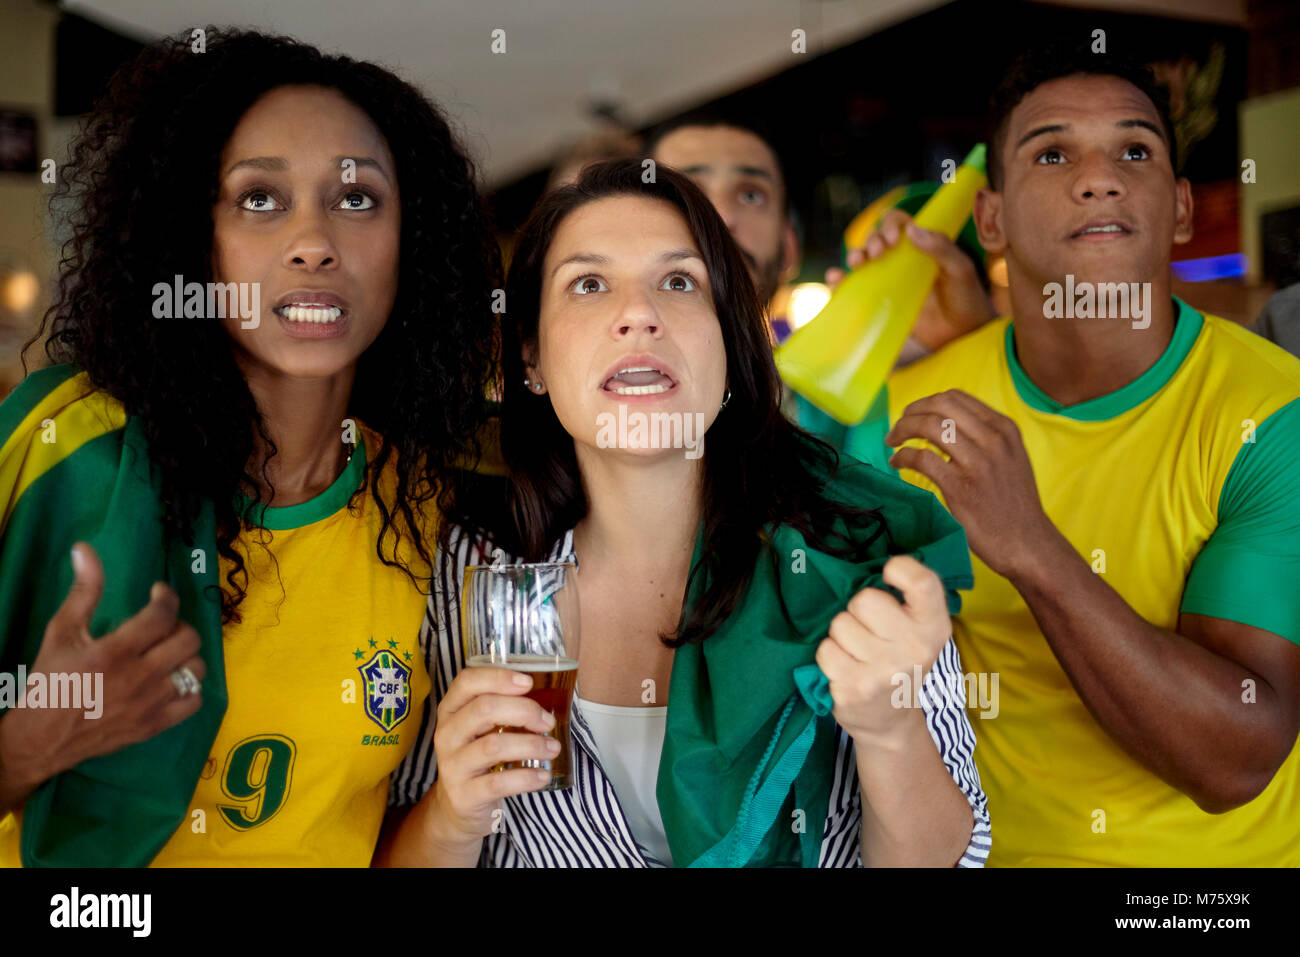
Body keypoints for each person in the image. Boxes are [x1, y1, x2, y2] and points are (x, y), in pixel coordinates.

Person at [378, 160, 991, 867]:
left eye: (678, 281)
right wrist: (453, 814)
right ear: (532, 357)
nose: (639, 313)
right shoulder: (473, 567)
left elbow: (948, 859)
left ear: (730, 341)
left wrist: (889, 730)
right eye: (588, 283)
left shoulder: (852, 551)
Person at [0, 28, 501, 866]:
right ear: (193, 242)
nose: (314, 241)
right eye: (260, 199)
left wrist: (457, 811)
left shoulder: (425, 512)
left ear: (412, 245)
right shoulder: (64, 445)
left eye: (358, 199)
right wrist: (28, 747)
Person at [860, 44, 1300, 865]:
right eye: (1053, 152)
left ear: (1177, 207)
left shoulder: (1272, 413)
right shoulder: (907, 415)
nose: (1098, 176)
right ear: (989, 218)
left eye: (1134, 150)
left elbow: (1238, 755)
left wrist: (1030, 546)